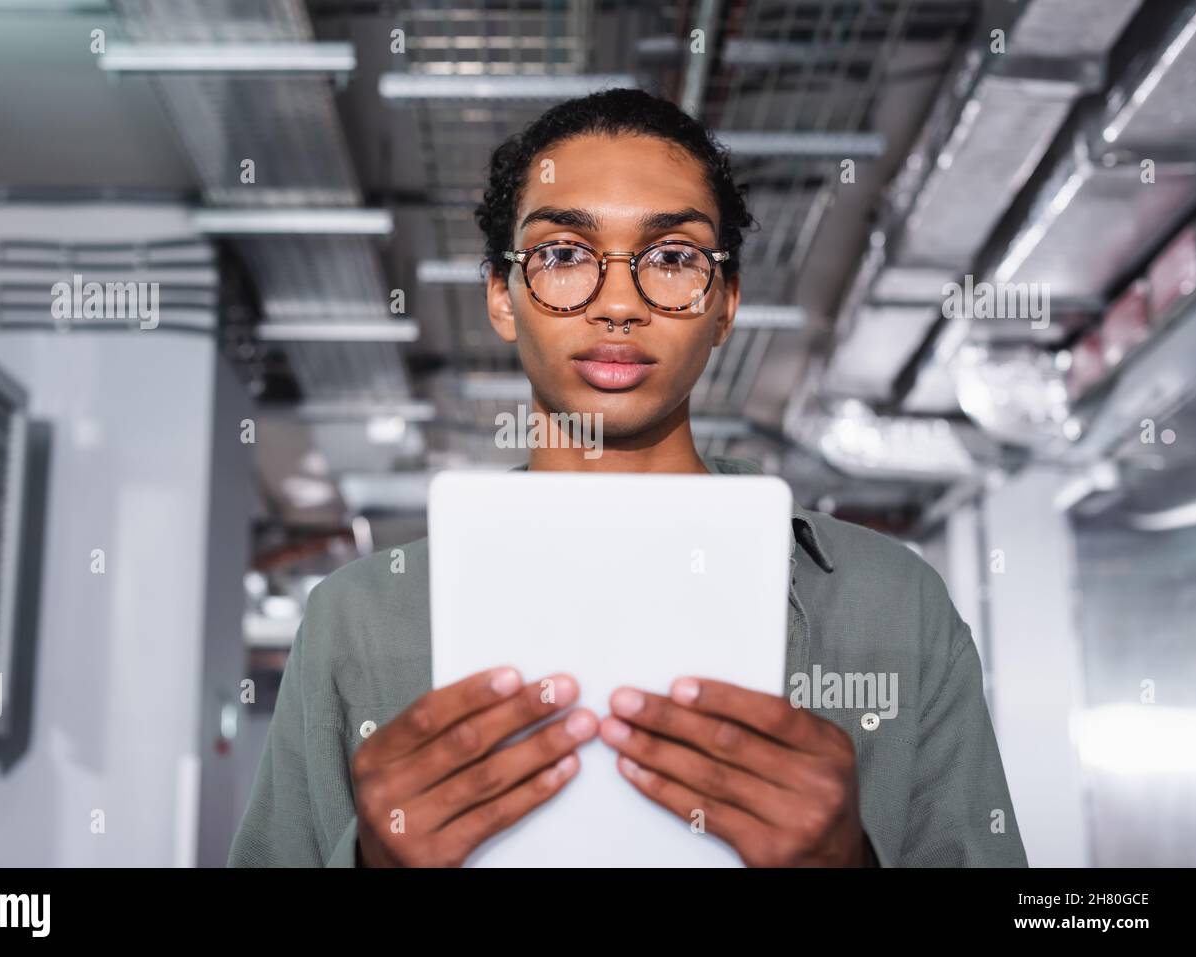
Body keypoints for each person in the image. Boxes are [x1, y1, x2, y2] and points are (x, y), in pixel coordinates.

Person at [228, 88, 1027, 868]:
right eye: (565, 255)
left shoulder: (894, 604)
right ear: (503, 298)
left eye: (674, 257)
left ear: (725, 304)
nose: (618, 303)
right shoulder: (357, 622)